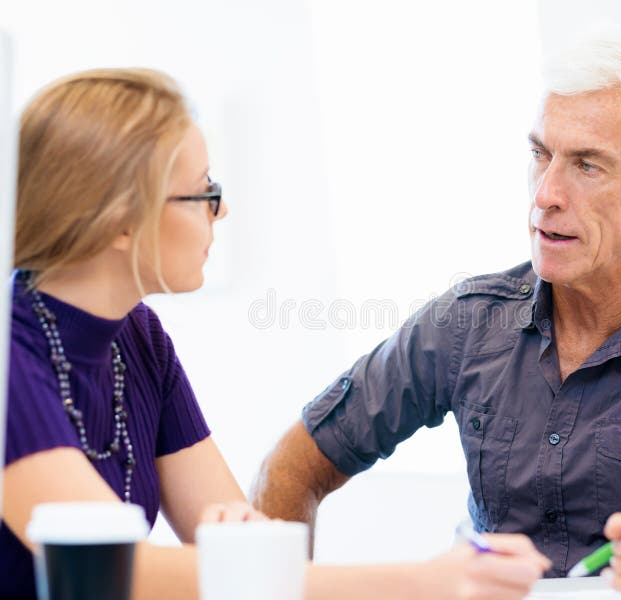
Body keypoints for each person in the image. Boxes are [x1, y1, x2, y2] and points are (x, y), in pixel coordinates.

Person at [254, 26, 621, 596]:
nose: (545, 193)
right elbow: (289, 469)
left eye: (588, 166)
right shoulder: (467, 322)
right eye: (540, 154)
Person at [1, 68, 549, 600]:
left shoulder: (138, 338)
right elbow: (117, 575)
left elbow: (254, 563)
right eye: (202, 192)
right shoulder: (11, 353)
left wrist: (239, 539)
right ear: (120, 218)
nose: (223, 209)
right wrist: (424, 584)